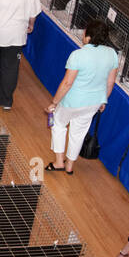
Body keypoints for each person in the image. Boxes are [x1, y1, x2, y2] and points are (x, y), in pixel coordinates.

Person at [44, 19, 119, 174]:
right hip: (94, 103)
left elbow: (67, 83)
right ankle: (70, 165)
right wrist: (103, 99)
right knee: (79, 132)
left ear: (88, 36)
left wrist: (54, 102)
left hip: (72, 101)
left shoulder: (77, 55)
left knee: (58, 124)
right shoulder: (112, 54)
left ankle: (59, 162)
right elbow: (110, 82)